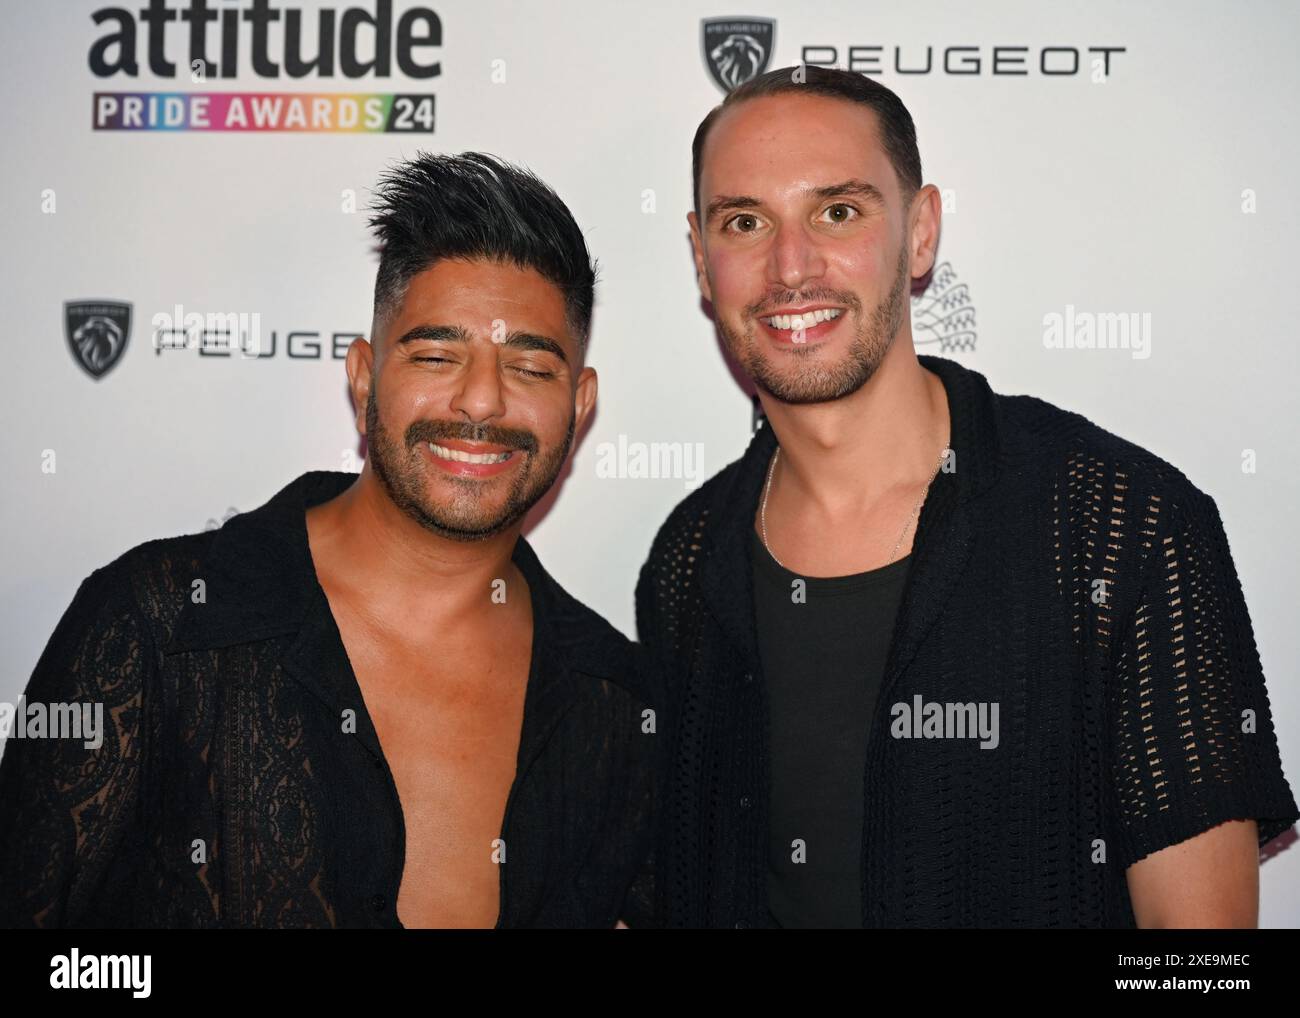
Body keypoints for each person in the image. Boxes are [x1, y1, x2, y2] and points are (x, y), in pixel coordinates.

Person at [635, 65, 1298, 928]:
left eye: (838, 212)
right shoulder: (687, 560)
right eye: (746, 222)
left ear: (920, 234)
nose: (790, 267)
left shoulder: (1123, 525)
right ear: (701, 258)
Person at [0, 151, 658, 929]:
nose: (482, 399)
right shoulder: (158, 623)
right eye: (437, 355)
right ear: (364, 376)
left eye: (530, 367)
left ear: (580, 404)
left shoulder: (617, 704)